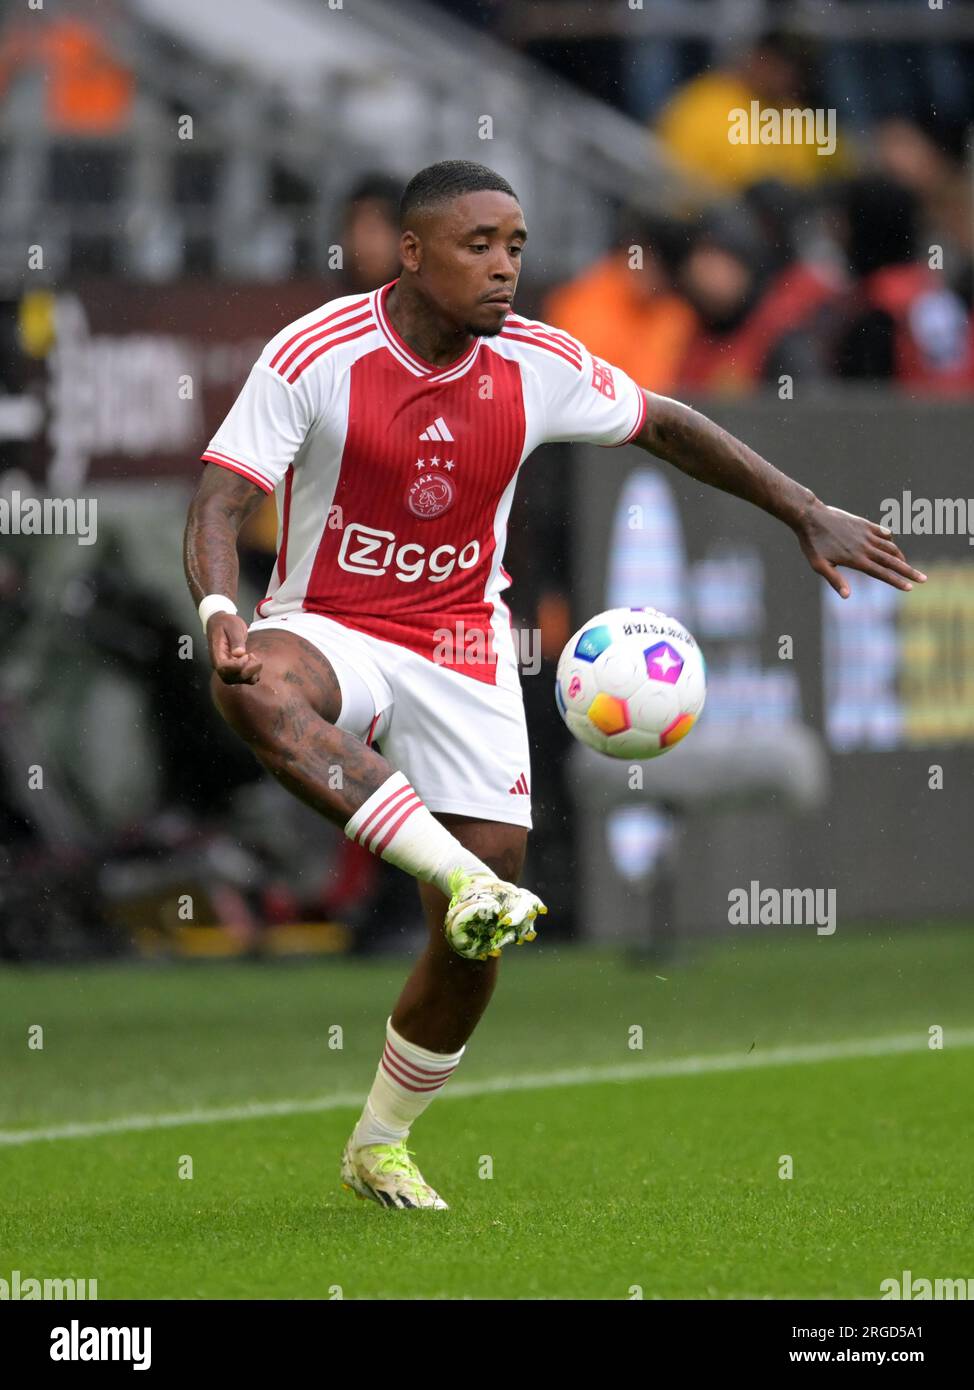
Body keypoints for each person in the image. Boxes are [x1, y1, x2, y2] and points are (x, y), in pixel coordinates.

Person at [183, 159, 925, 1209]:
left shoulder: (535, 362)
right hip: (331, 622)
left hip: (460, 646)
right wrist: (221, 611)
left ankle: (381, 1139)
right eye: (477, 245)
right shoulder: (316, 352)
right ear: (410, 253)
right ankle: (462, 875)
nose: (503, 269)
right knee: (252, 683)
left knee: (473, 927)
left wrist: (802, 507)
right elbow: (219, 502)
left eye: (516, 247)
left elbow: (665, 421)